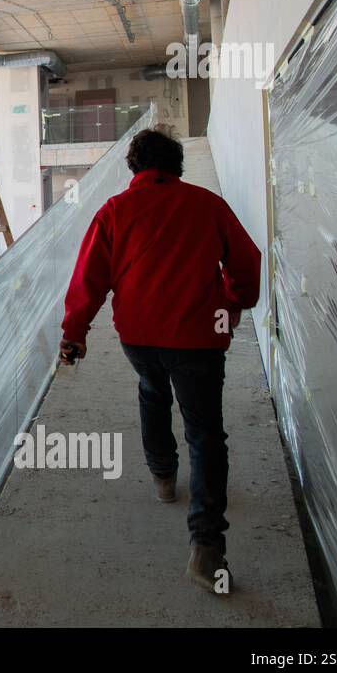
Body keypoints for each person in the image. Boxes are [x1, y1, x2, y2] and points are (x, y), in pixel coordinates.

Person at [58, 127, 261, 593]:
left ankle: (164, 478)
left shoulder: (113, 211)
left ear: (134, 168)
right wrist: (235, 302)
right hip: (199, 338)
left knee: (152, 395)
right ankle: (207, 548)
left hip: (140, 337)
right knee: (206, 433)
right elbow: (246, 264)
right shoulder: (207, 205)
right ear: (177, 166)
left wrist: (74, 337)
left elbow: (88, 279)